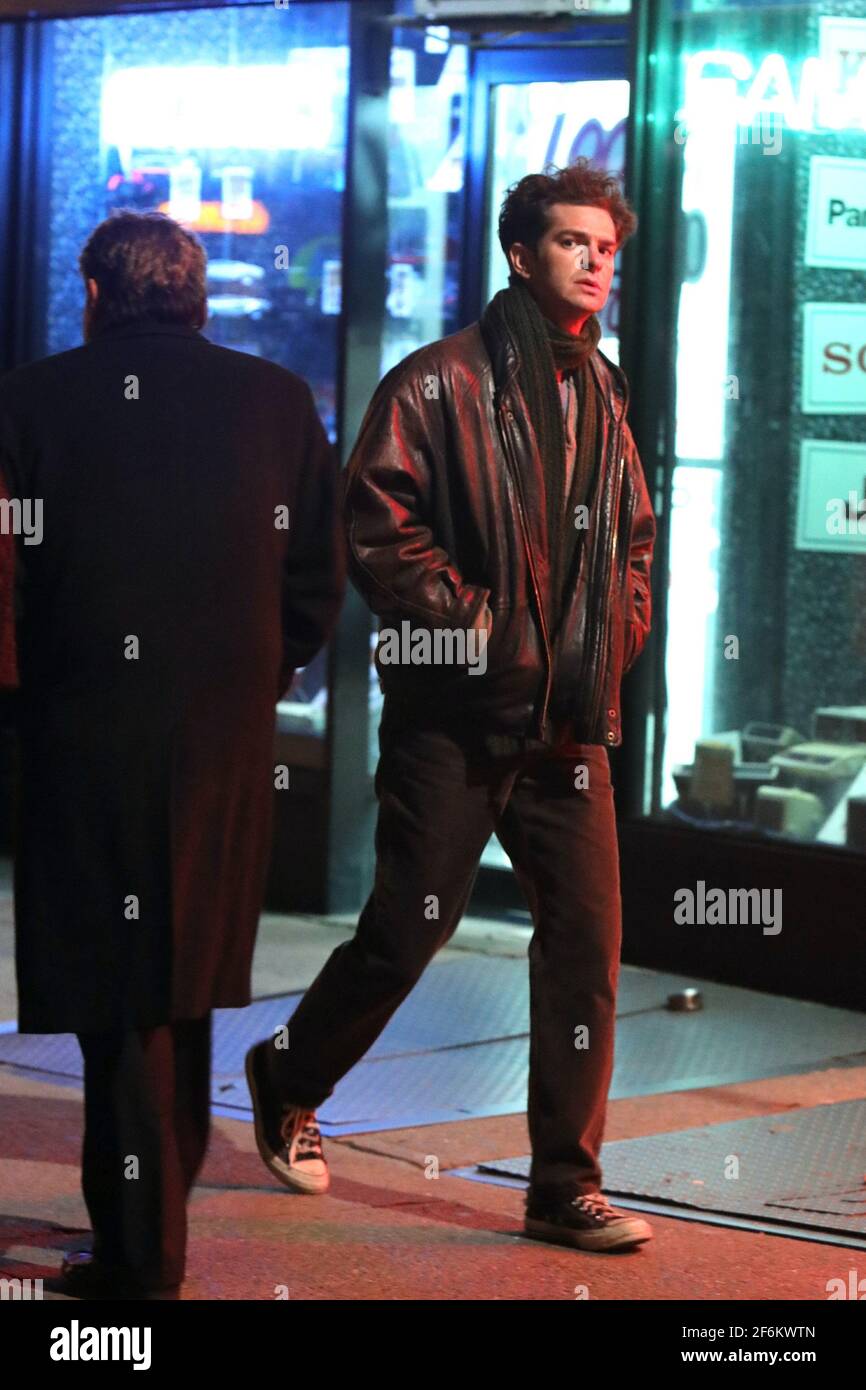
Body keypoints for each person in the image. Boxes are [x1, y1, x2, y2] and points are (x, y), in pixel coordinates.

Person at [246, 159, 656, 1253]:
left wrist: (611, 635)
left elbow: (631, 545)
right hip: (452, 718)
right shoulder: (438, 382)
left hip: (568, 723)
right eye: (573, 242)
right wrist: (490, 634)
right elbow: (376, 527)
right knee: (405, 933)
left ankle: (562, 1183)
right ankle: (287, 1070)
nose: (593, 262)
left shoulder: (603, 390)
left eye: (605, 247)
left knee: (584, 945)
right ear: (521, 255)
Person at [0, 210, 346, 1298]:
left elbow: (9, 576)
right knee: (180, 981)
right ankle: (150, 1217)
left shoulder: (31, 400)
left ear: (95, 293)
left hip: (83, 731)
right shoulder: (277, 402)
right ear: (198, 295)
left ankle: (142, 1259)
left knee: (119, 994)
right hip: (225, 740)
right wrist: (258, 675)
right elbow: (316, 578)